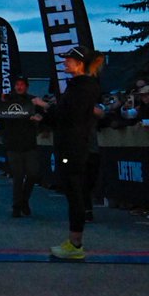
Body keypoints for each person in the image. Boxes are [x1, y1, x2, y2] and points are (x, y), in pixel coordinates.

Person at [37, 45, 104, 260]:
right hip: (73, 144)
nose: (65, 62)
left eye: (68, 60)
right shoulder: (80, 85)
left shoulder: (82, 86)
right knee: (73, 193)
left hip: (73, 146)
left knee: (75, 193)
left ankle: (75, 244)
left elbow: (68, 115)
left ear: (79, 63)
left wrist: (44, 109)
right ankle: (73, 241)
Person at [3, 75, 44, 218]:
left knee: (33, 174)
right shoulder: (7, 101)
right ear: (14, 86)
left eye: (22, 84)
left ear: (26, 86)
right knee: (18, 176)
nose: (19, 87)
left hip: (29, 143)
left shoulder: (34, 100)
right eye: (17, 84)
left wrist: (39, 119)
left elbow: (44, 116)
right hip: (13, 144)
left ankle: (24, 200)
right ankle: (16, 206)